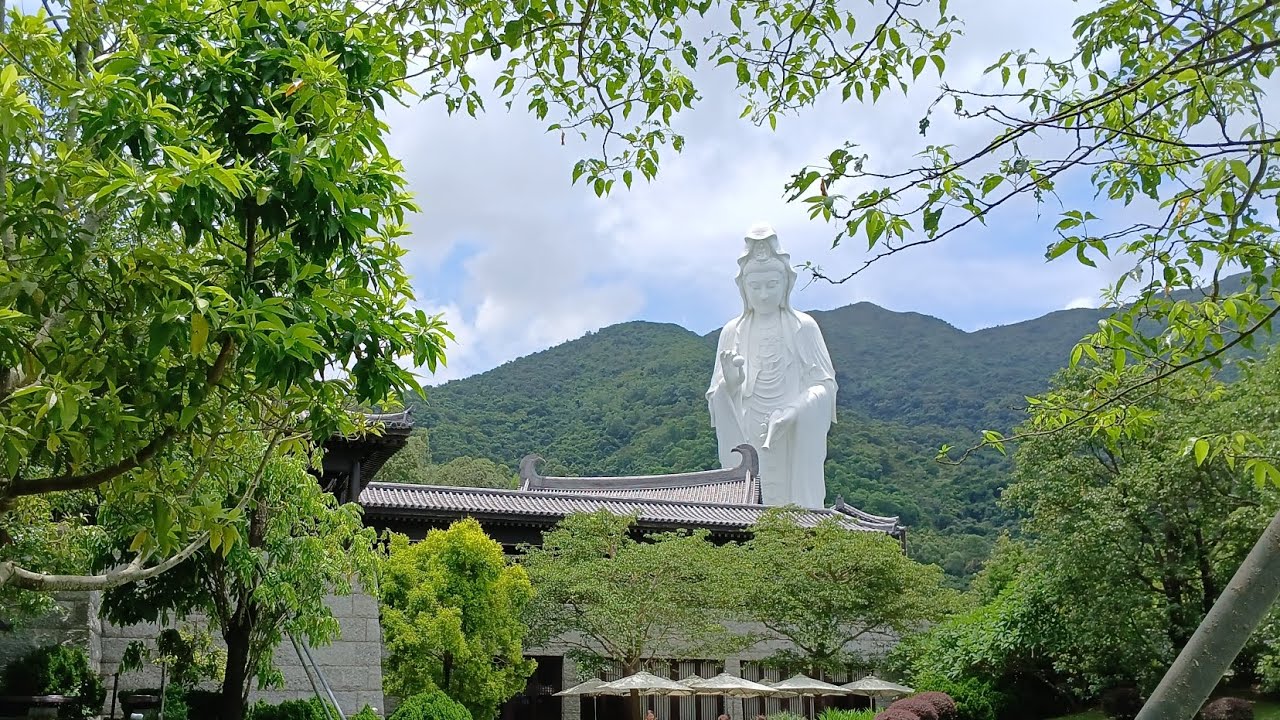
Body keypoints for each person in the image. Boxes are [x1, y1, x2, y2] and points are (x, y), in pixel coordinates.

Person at [706, 223, 837, 508]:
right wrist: (729, 385)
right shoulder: (733, 331)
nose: (763, 294)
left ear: (786, 284)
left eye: (771, 285)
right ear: (744, 288)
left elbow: (824, 386)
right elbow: (718, 395)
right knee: (752, 498)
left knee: (793, 505)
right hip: (748, 429)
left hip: (792, 435)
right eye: (755, 286)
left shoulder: (803, 327)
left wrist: (794, 411)